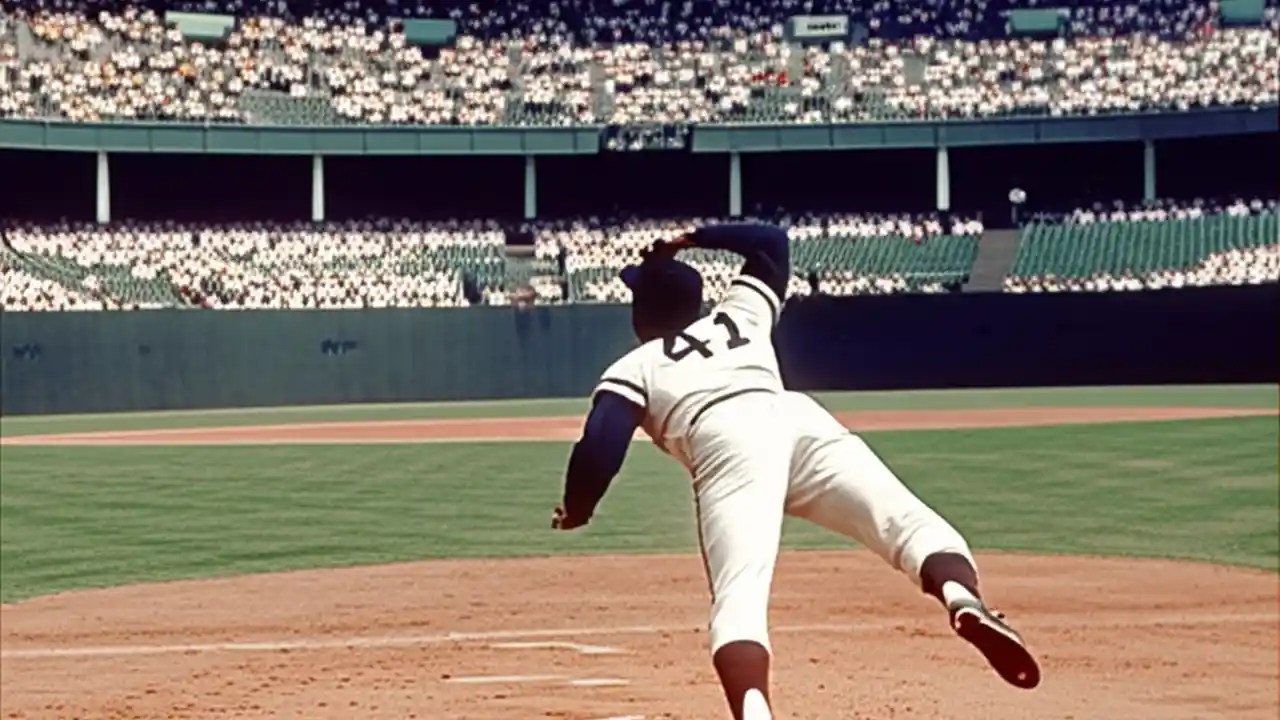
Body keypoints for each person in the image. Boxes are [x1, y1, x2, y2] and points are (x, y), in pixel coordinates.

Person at [551, 222, 1040, 720]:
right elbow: (771, 241)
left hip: (725, 440)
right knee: (905, 522)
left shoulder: (636, 365)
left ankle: (754, 710)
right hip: (796, 418)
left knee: (740, 589)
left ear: (641, 312)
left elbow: (601, 446)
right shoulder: (738, 315)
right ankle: (961, 597)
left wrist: (577, 507)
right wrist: (691, 238)